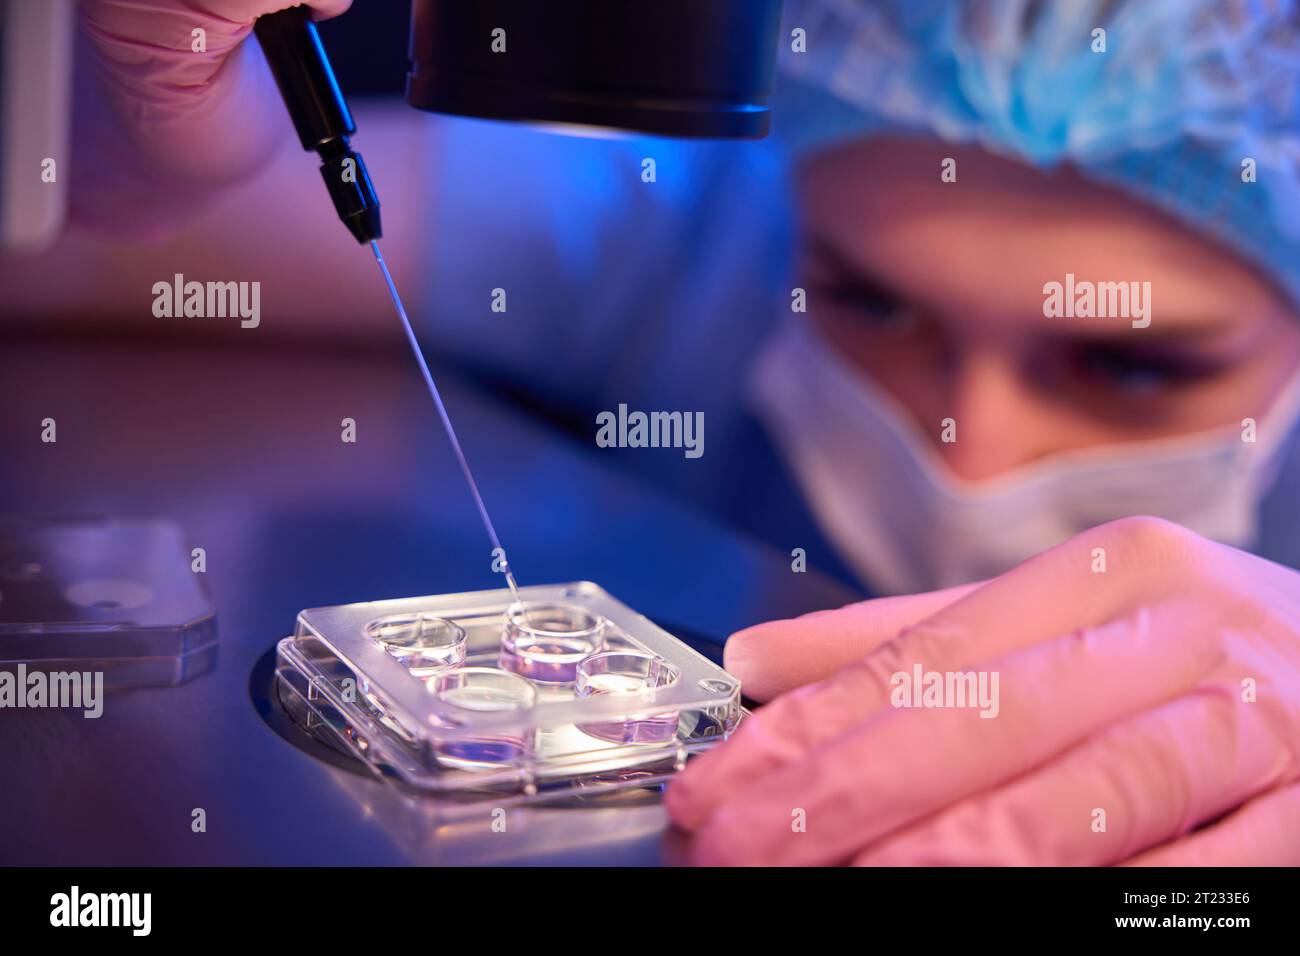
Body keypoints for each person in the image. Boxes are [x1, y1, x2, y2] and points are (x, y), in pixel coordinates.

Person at [38, 0, 1300, 863]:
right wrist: (71, 127)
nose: (973, 462)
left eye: (1129, 363)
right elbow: (114, 224)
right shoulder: (690, 240)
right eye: (870, 304)